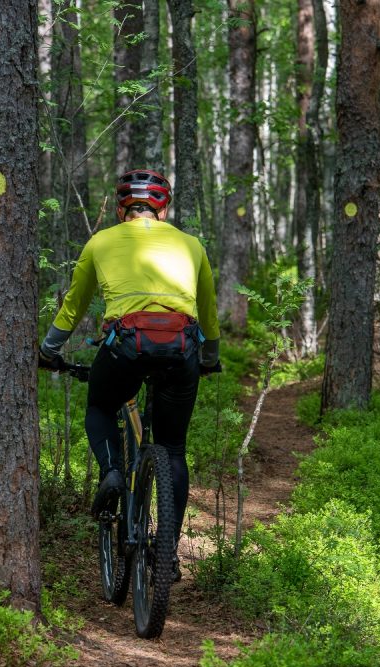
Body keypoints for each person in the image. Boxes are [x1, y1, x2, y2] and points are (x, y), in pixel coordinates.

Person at [39, 169, 221, 554]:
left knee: (101, 405)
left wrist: (49, 350)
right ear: (163, 209)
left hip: (125, 347)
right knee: (172, 449)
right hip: (181, 348)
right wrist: (210, 357)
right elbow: (208, 309)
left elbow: (73, 306)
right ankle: (168, 551)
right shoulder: (192, 245)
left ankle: (112, 474)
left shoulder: (100, 242)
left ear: (123, 209)